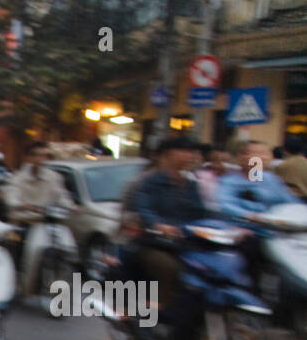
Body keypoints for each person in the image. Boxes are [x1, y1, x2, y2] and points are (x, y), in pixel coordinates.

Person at [130, 136, 208, 325]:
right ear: (167, 155)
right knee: (168, 267)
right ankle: (152, 318)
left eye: (192, 152)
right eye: (185, 151)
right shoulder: (149, 182)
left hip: (186, 244)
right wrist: (158, 226)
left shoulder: (190, 185)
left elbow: (202, 213)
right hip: (153, 244)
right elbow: (143, 209)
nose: (191, 156)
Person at [218, 140, 303, 229]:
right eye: (256, 153)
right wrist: (249, 215)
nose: (262, 157)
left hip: (271, 229)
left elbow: (289, 200)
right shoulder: (229, 181)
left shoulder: (271, 179)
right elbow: (226, 205)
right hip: (238, 228)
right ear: (241, 157)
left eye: (265, 153)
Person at [2, 141, 71, 225]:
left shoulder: (54, 177)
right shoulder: (17, 178)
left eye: (44, 156)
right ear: (28, 158)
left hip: (45, 223)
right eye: (36, 155)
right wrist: (25, 206)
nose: (40, 160)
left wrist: (71, 207)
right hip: (23, 223)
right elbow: (11, 199)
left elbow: (61, 196)